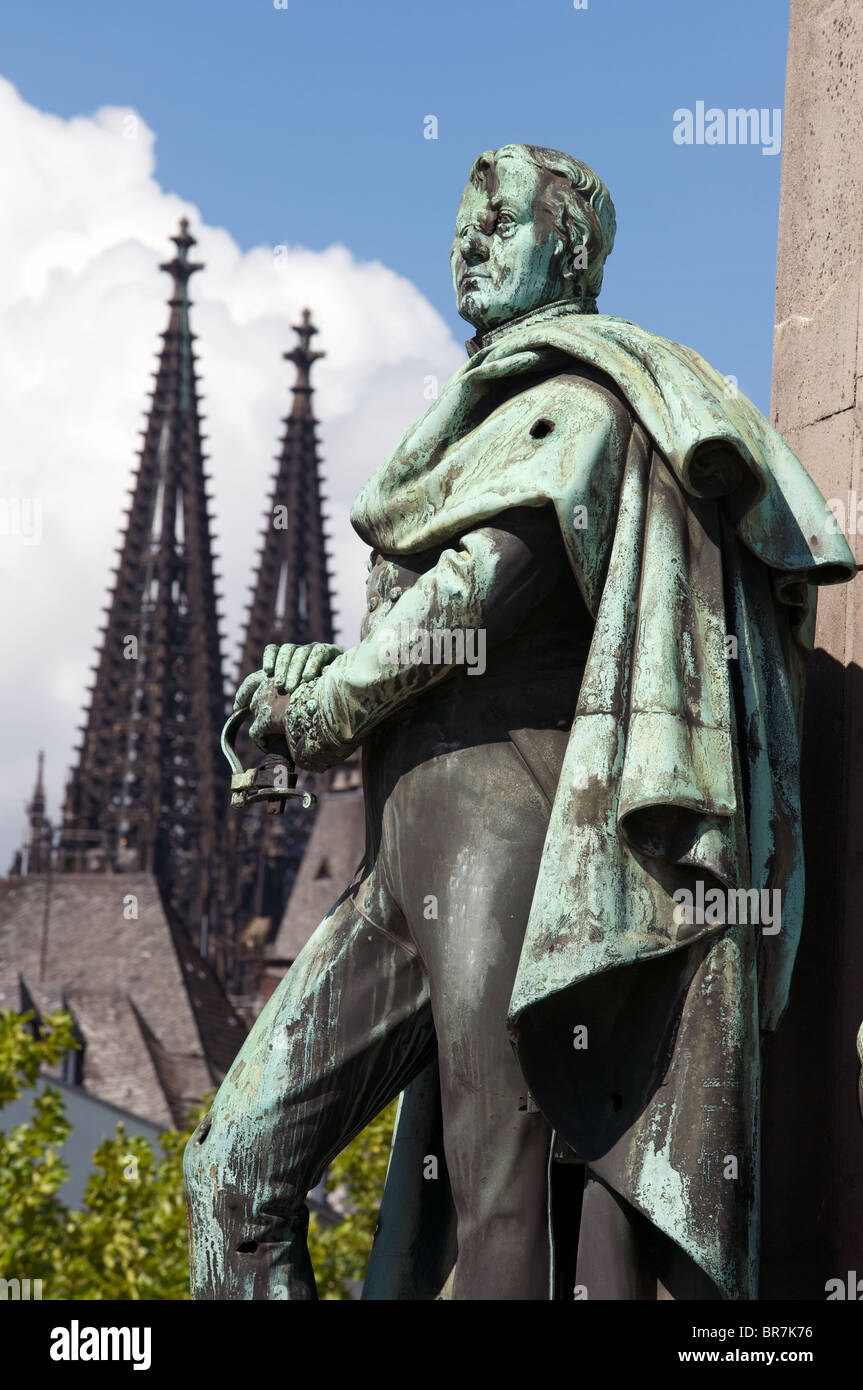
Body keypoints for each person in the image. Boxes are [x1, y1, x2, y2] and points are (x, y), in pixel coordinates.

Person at [184, 145, 854, 1300]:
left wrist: (316, 706)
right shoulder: (470, 422)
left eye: (497, 222)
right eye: (462, 222)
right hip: (405, 846)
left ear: (573, 251)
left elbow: (466, 598)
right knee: (232, 1168)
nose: (469, 242)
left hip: (507, 827)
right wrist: (322, 675)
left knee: (498, 1203)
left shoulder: (579, 404)